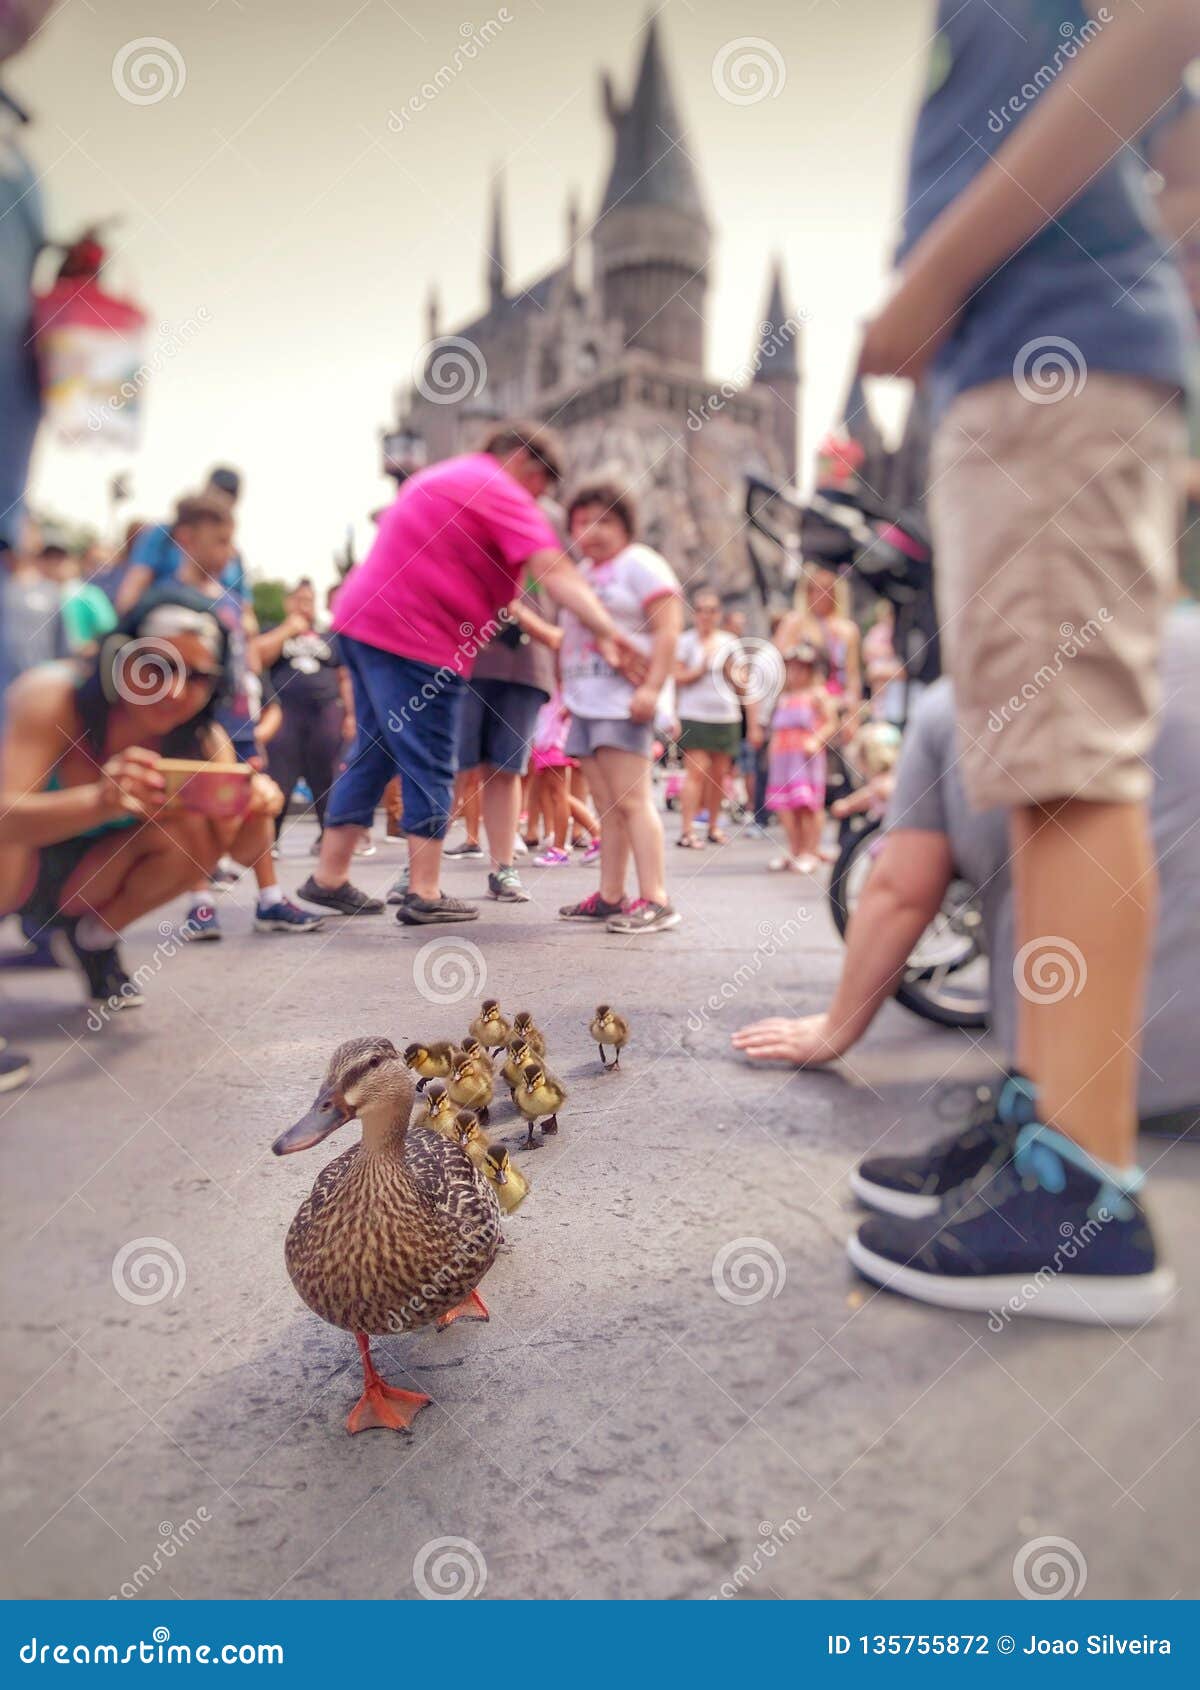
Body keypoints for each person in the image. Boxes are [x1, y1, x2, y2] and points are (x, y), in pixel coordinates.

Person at [854, 0, 1199, 1320]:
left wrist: (938, 281)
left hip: (1048, 368)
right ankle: (1048, 1125)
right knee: (1045, 774)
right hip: (1040, 366)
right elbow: (1186, 158)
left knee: (1070, 770)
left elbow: (1164, 24)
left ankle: (1082, 1197)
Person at [733, 608, 1200, 1226]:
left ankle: (1073, 1176)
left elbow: (900, 890)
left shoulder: (970, 698)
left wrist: (836, 1027)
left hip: (1092, 1096)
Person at [298, 421, 645, 927]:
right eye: (541, 485)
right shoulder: (499, 487)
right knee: (431, 755)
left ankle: (329, 877)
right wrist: (608, 631)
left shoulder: (445, 476)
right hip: (414, 637)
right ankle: (424, 890)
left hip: (363, 622)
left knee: (375, 750)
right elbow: (553, 570)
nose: (539, 499)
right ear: (524, 462)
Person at [0, 584, 285, 1008]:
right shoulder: (52, 697)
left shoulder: (203, 741)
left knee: (194, 831)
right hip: (17, 866)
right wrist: (98, 801)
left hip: (81, 883)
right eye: (157, 666)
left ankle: (92, 939)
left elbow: (238, 851)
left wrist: (254, 807)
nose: (173, 691)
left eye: (197, 676)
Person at [171, 495, 323, 936]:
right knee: (198, 814)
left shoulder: (232, 604)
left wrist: (254, 725)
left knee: (257, 809)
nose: (228, 552)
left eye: (230, 542)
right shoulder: (174, 603)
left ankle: (270, 901)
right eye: (219, 541)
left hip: (241, 728)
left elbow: (248, 668)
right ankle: (200, 904)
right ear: (187, 540)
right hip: (199, 731)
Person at [557, 480, 683, 934]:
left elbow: (668, 629)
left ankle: (656, 899)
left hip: (623, 703)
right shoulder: (581, 572)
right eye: (582, 522)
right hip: (586, 702)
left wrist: (652, 688)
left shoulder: (641, 563)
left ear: (626, 526)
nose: (592, 531)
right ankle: (611, 895)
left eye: (604, 521)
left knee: (633, 803)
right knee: (607, 807)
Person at [449, 588, 563, 902]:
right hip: (465, 657)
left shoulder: (552, 560)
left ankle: (503, 869)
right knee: (452, 767)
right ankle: (418, 869)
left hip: (528, 666)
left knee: (507, 770)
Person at [255, 580, 354, 848]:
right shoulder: (273, 631)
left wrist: (351, 715)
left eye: (309, 600)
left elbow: (344, 676)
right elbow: (257, 657)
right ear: (288, 603)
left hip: (325, 712)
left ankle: (329, 839)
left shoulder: (328, 637)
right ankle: (269, 841)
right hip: (286, 711)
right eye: (298, 600)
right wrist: (287, 630)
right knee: (279, 775)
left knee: (327, 776)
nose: (304, 606)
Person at [114, 467, 246, 614]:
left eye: (228, 498)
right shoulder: (163, 536)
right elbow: (131, 593)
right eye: (217, 494)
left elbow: (246, 612)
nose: (221, 503)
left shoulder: (234, 556)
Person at [674, 589, 743, 849]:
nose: (706, 616)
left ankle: (714, 826)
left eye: (712, 611)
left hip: (725, 715)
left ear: (719, 614)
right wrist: (700, 668)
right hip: (694, 714)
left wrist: (730, 672)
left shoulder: (729, 641)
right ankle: (687, 829)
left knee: (719, 774)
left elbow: (743, 683)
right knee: (696, 770)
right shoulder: (685, 642)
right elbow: (676, 677)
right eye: (702, 610)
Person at [764, 643, 836, 873]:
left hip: (805, 757)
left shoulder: (817, 694)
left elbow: (831, 722)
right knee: (786, 806)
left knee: (807, 804)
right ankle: (794, 850)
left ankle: (810, 851)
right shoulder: (784, 697)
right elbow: (776, 729)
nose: (796, 673)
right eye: (792, 668)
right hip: (783, 757)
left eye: (801, 668)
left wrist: (816, 740)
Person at [37, 542, 117, 650]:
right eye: (49, 560)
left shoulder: (89, 594)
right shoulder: (40, 594)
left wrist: (91, 645)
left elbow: (107, 625)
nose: (54, 566)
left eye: (59, 560)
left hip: (79, 656)